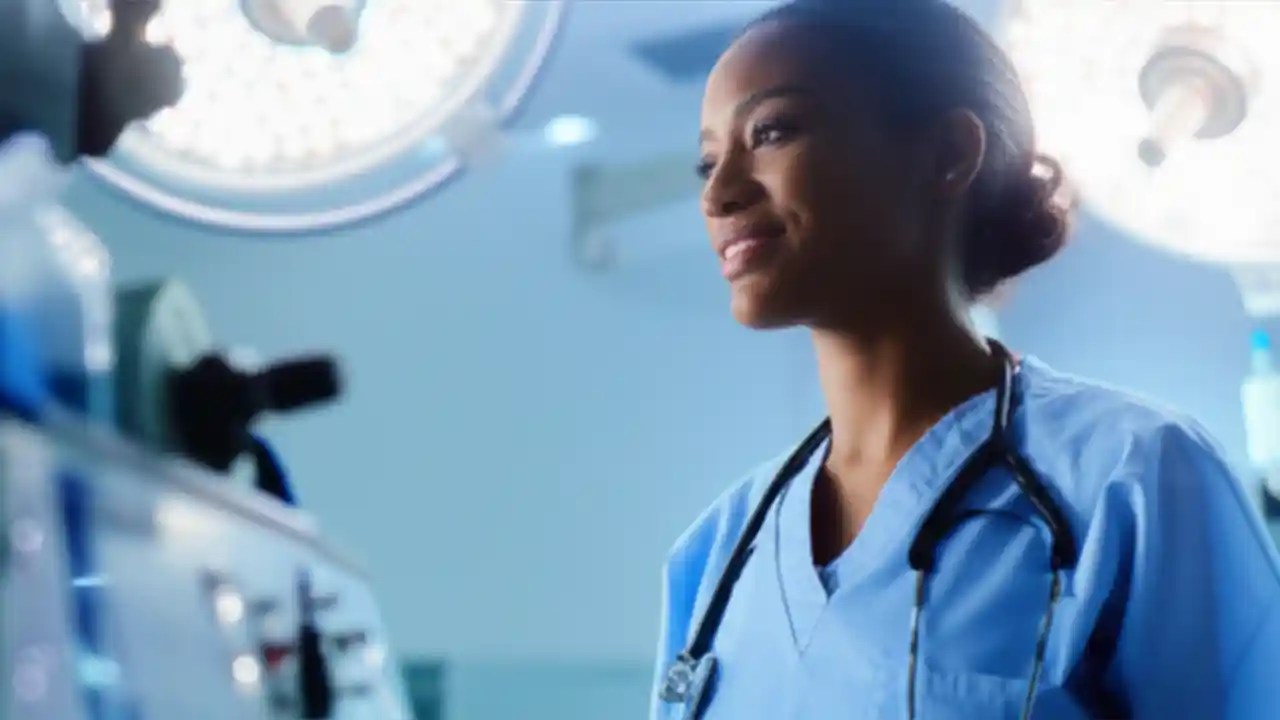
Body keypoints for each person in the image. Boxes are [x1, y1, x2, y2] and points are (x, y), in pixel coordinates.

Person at [650, 1, 1280, 719]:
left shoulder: (1133, 480)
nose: (718, 192)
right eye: (707, 160)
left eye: (773, 131)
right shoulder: (721, 555)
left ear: (947, 154)